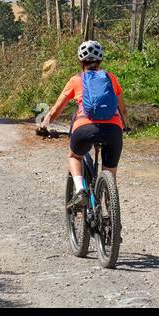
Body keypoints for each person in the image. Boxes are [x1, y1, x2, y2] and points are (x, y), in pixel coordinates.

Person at [38, 40, 128, 212]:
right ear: (101, 61)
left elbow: (55, 111)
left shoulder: (75, 80)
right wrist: (127, 126)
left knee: (74, 156)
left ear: (81, 62)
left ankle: (80, 191)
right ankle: (112, 214)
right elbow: (122, 109)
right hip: (113, 130)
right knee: (110, 172)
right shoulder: (111, 78)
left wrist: (43, 126)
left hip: (84, 128)